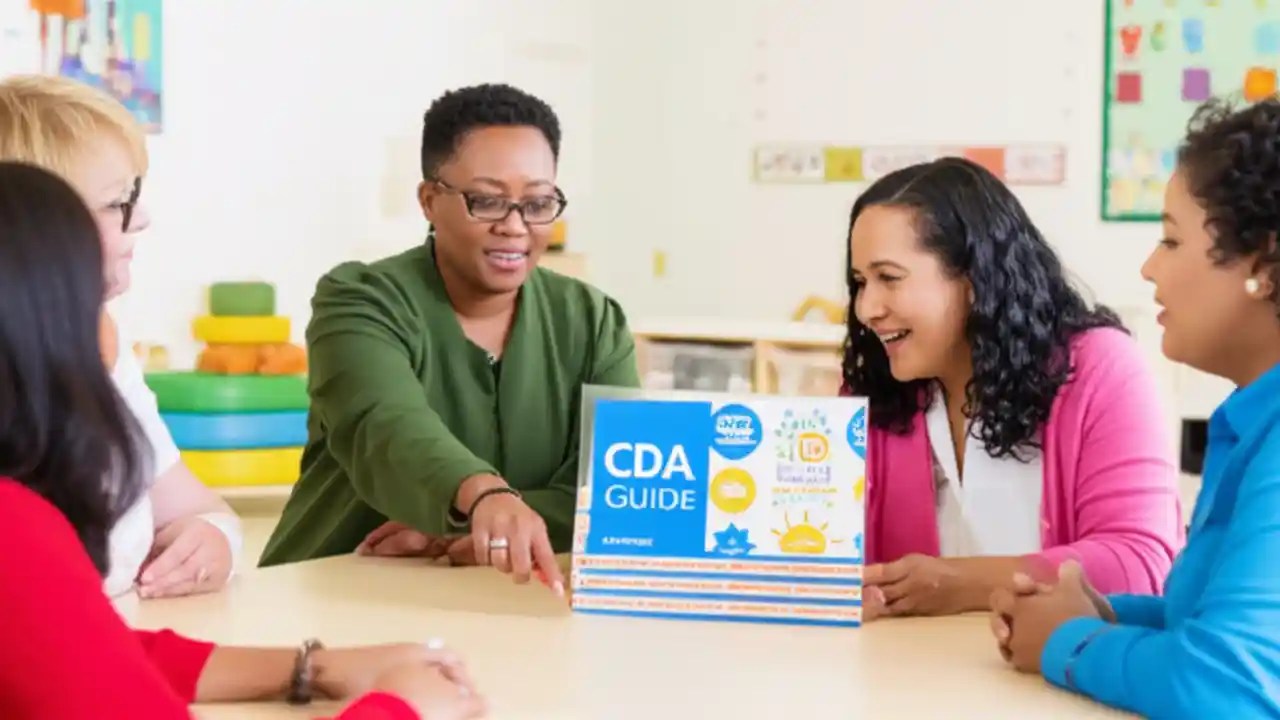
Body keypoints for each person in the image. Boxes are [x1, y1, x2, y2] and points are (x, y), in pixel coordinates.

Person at [0, 161, 487, 719]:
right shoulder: (13, 529)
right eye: (93, 302)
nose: (109, 328)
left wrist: (310, 669)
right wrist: (402, 708)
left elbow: (84, 657)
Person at [259, 83, 639, 589]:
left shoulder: (593, 320)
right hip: (340, 595)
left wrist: (471, 528)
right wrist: (481, 498)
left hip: (512, 608)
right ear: (429, 200)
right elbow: (386, 425)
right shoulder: (359, 300)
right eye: (486, 201)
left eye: (538, 202)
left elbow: (620, 487)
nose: (515, 226)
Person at [991, 98, 1280, 717]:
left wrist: (1066, 643)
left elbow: (1230, 686)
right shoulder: (1252, 421)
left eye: (1172, 241)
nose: (1149, 268)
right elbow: (1208, 618)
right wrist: (1104, 611)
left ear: (1264, 265)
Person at [844, 157, 1183, 619]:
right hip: (906, 678)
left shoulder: (1099, 369)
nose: (867, 308)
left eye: (889, 279)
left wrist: (959, 584)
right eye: (861, 282)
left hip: (1051, 678)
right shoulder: (876, 389)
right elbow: (830, 557)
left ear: (973, 279)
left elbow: (1140, 566)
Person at [0, 74, 242, 599]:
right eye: (117, 203)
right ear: (38, 222)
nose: (143, 219)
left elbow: (200, 509)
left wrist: (212, 541)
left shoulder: (104, 341)